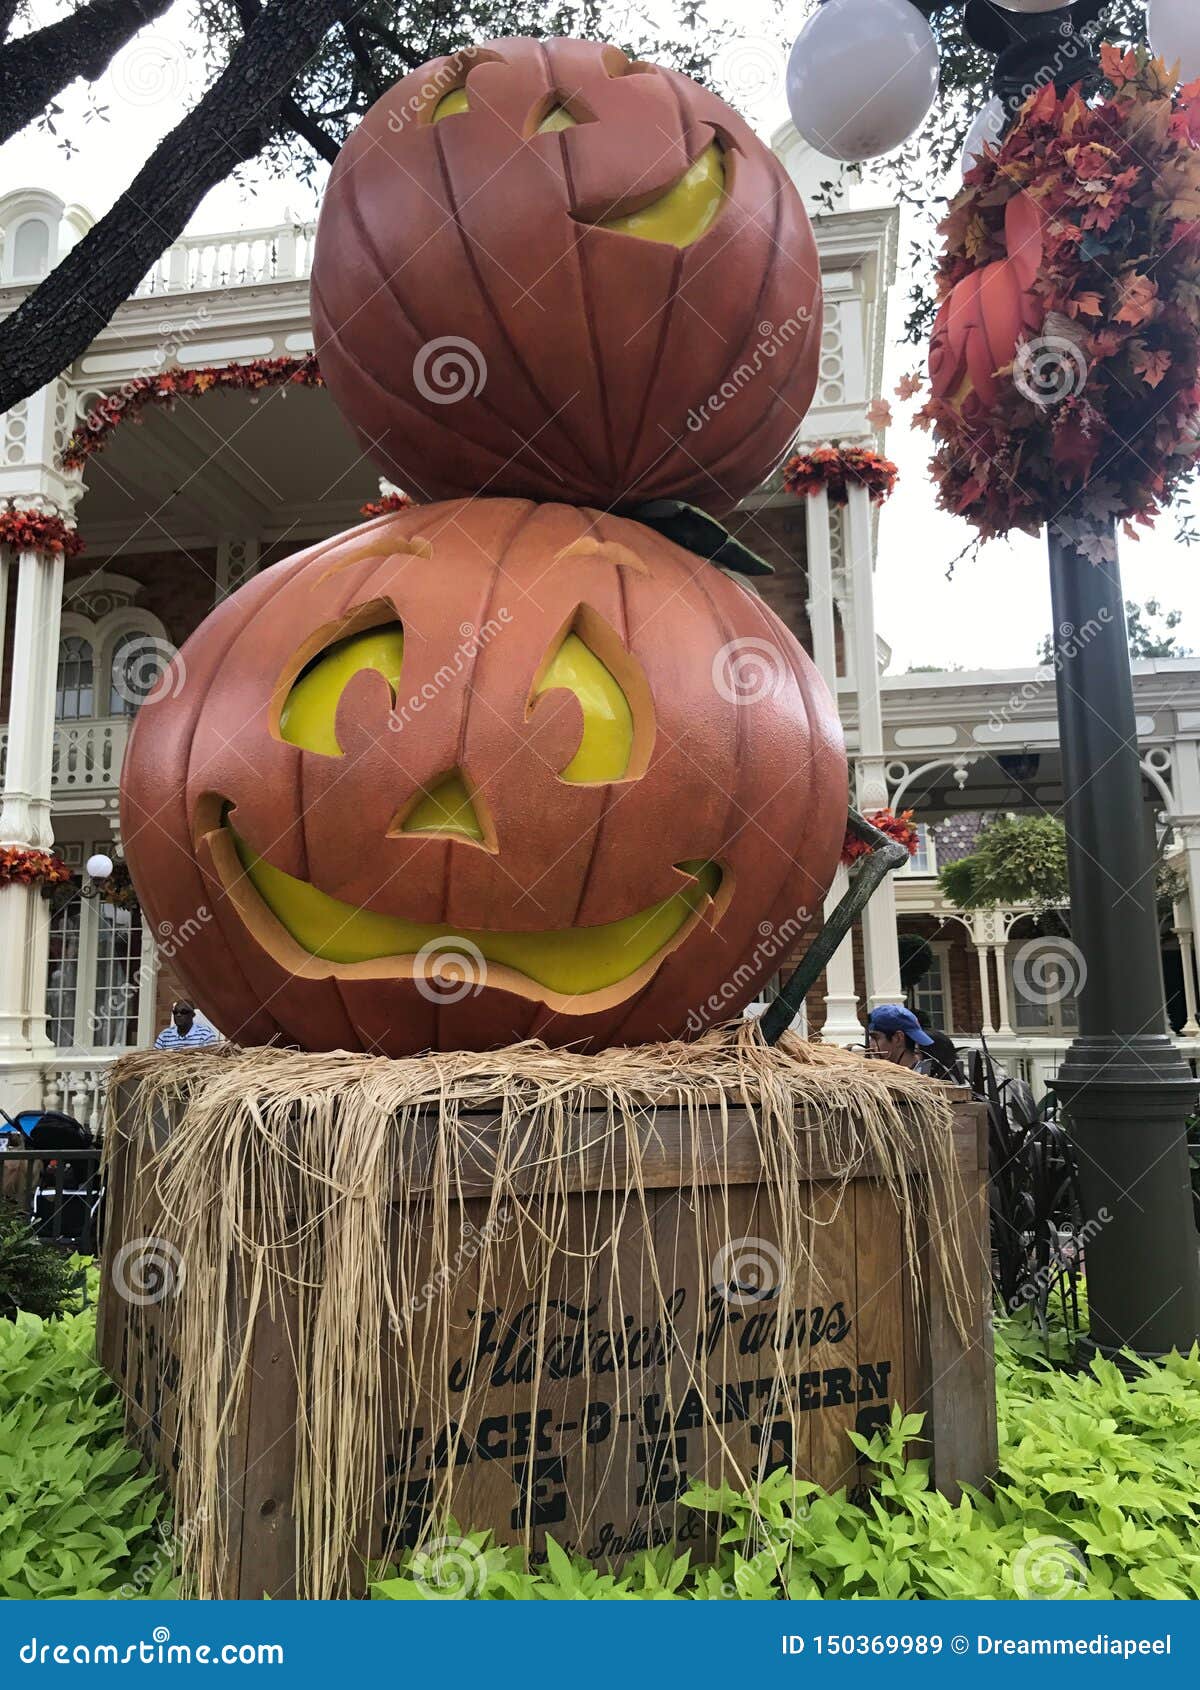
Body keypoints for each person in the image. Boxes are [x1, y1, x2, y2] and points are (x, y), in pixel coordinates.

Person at [865, 1004, 955, 1078]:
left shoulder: (925, 1080)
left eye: (875, 1038)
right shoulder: (877, 1076)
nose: (871, 1046)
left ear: (898, 1038)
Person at [153, 1000, 218, 1051]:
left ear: (192, 1015)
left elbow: (212, 1060)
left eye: (183, 1012)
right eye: (175, 1012)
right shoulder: (165, 1035)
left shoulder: (205, 1034)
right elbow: (154, 1058)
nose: (178, 1015)